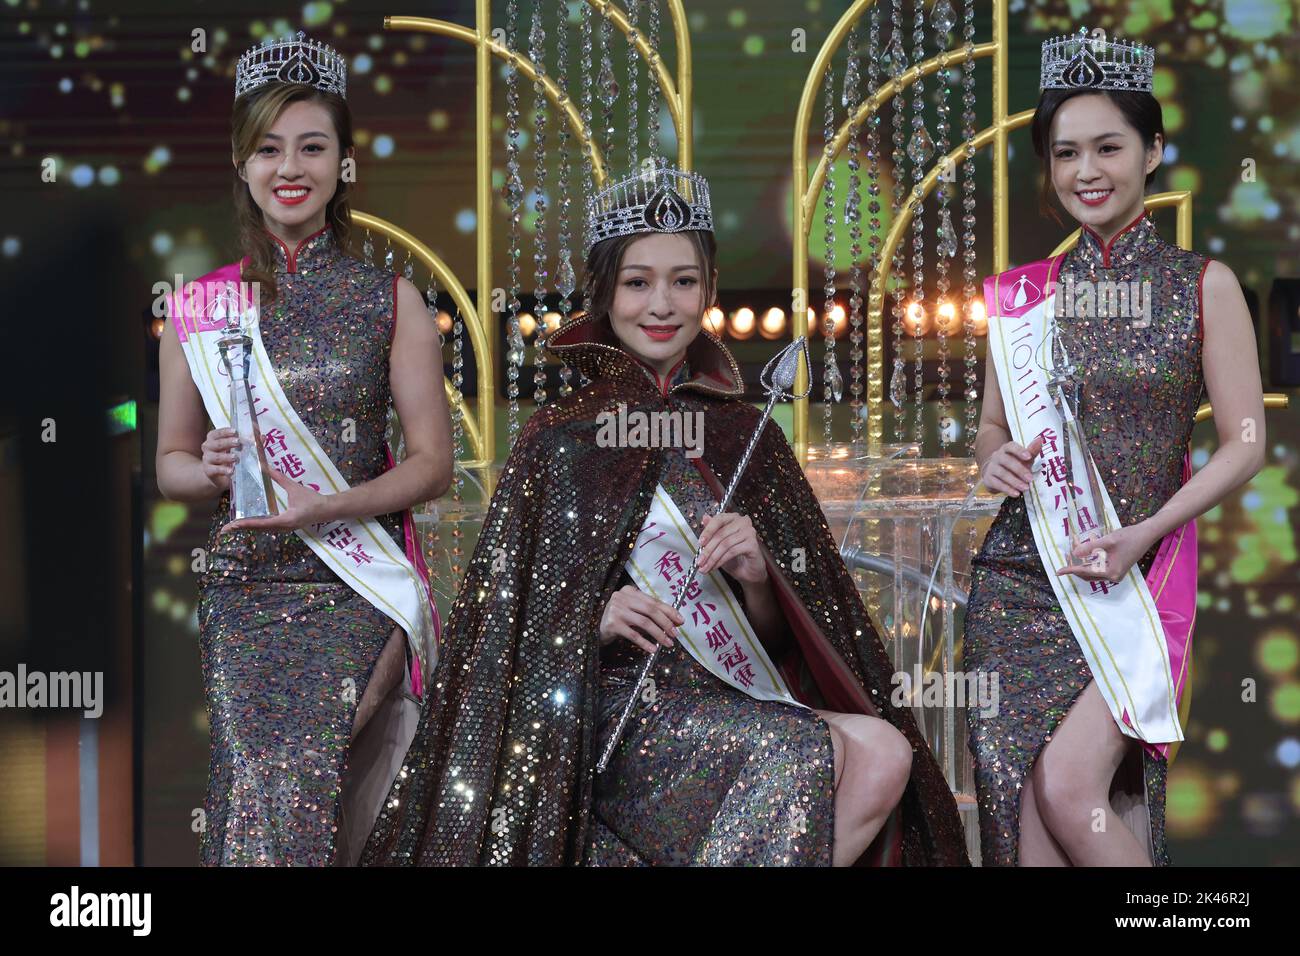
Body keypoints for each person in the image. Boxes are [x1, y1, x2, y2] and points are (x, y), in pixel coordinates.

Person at [360, 161, 969, 866]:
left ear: (707, 291)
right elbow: (496, 624)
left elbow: (789, 642)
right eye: (637, 282)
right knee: (800, 751)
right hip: (610, 707)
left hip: (734, 693)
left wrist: (761, 578)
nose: (661, 304)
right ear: (605, 295)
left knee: (888, 752)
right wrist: (593, 617)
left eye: (683, 282)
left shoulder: (746, 434)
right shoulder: (559, 436)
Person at [964, 28, 1265, 866]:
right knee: (1028, 826)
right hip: (1025, 579)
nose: (1086, 172)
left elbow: (1244, 443)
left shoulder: (1203, 285)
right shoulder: (1025, 299)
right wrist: (994, 458)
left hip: (1140, 570)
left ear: (1153, 150)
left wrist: (1143, 532)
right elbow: (993, 428)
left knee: (1074, 787)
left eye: (1108, 147)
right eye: (1066, 154)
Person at [155, 33, 452, 865]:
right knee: (255, 772)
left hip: (356, 578)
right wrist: (204, 468)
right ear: (243, 163)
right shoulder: (200, 309)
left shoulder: (391, 299)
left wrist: (330, 506)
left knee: (299, 763)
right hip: (247, 585)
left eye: (313, 147)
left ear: (343, 163)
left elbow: (432, 464)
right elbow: (170, 469)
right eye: (269, 148)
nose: (291, 167)